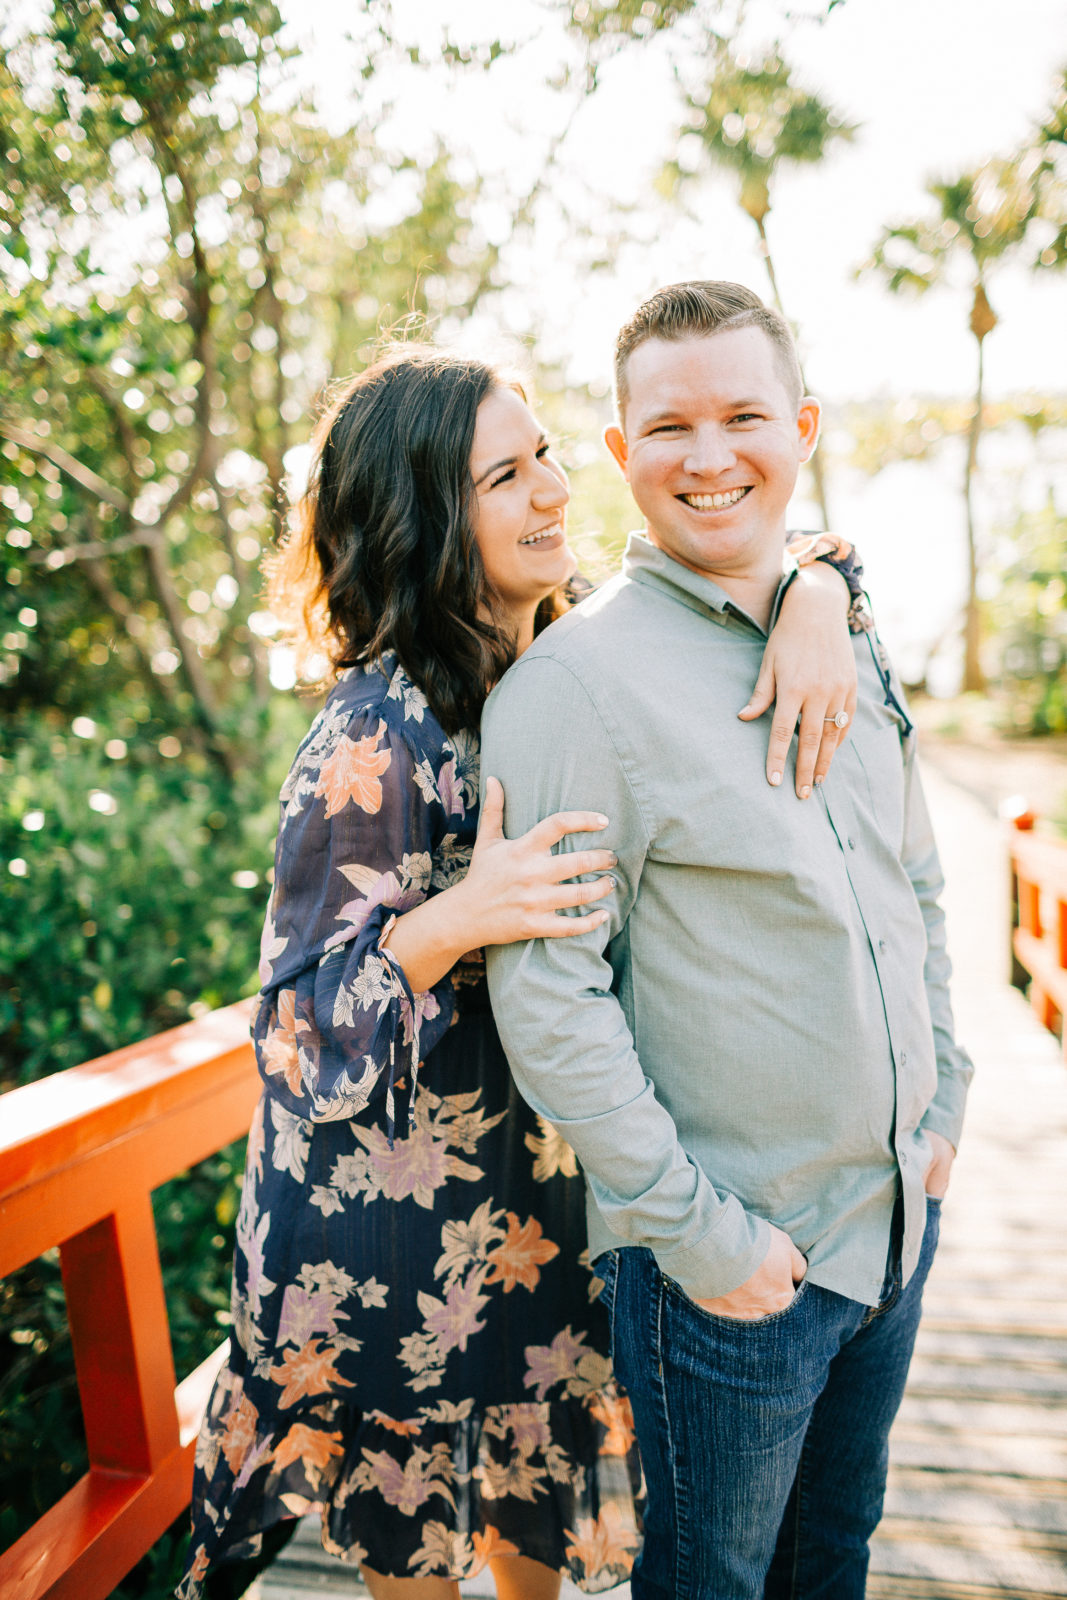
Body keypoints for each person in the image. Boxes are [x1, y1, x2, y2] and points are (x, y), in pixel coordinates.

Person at [177, 342, 867, 1600]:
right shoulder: (374, 734)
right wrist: (453, 919)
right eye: (507, 475)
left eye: (545, 451)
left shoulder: (567, 660)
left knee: (534, 1551)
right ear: (434, 519)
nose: (554, 488)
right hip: (387, 1248)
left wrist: (815, 595)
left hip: (535, 1222)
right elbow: (289, 1035)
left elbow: (765, 549)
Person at [482, 282, 974, 1600]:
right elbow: (550, 1002)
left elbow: (911, 877)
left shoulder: (842, 630)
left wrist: (942, 1096)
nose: (708, 458)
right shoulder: (571, 688)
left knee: (832, 1560)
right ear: (618, 451)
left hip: (890, 1221)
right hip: (732, 1266)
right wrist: (706, 1240)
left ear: (801, 426)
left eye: (742, 415)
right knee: (709, 1583)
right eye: (669, 427)